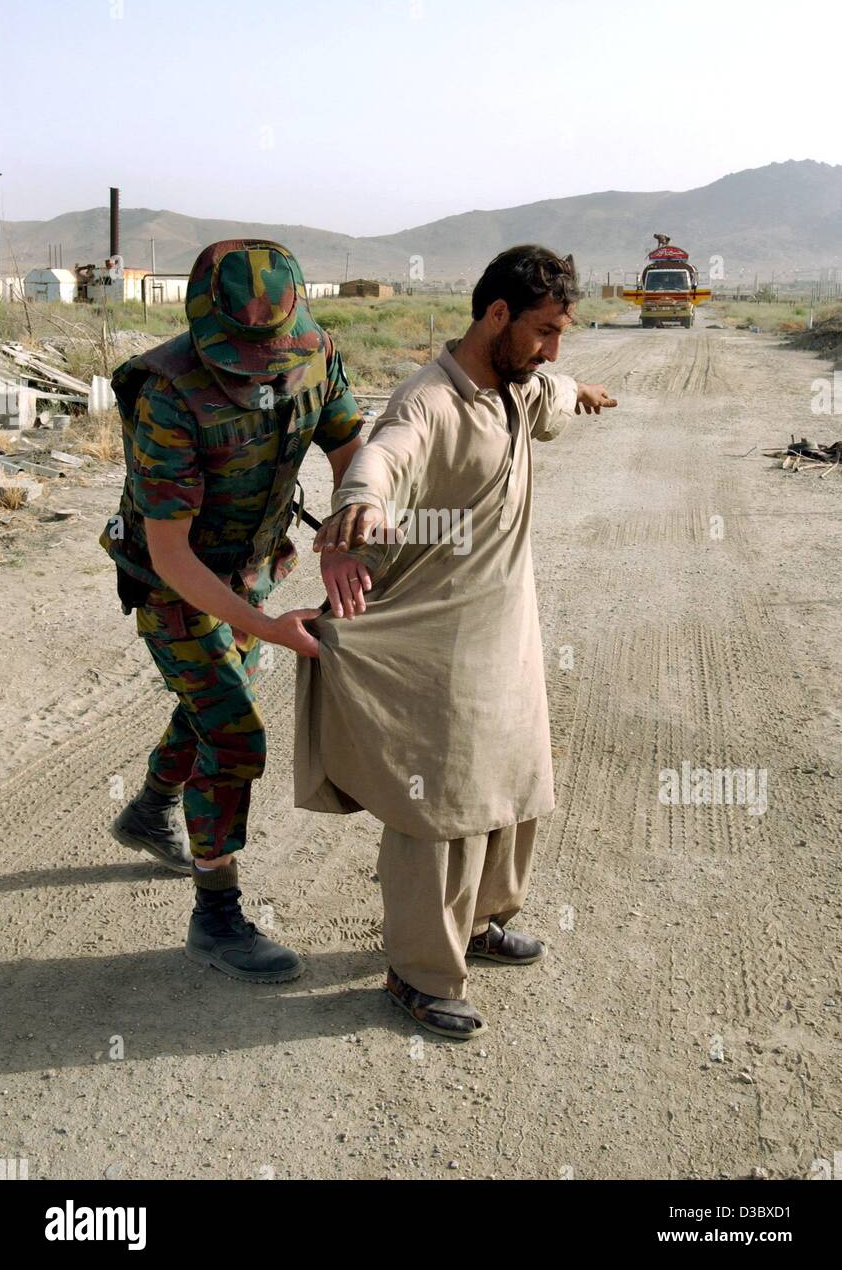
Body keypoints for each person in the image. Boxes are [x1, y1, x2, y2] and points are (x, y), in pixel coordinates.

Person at [296, 244, 617, 1038]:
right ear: (495, 315)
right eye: (543, 331)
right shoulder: (427, 402)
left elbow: (553, 392)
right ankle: (417, 972)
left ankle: (481, 920)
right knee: (437, 808)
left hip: (505, 635)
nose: (551, 349)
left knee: (517, 780)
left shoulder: (516, 387)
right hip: (437, 647)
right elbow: (382, 455)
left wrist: (582, 392)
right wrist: (361, 504)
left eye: (560, 336)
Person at [100, 239, 363, 982]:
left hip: (251, 571)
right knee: (234, 727)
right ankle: (215, 914)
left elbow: (348, 449)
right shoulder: (169, 393)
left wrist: (346, 531)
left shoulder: (316, 354)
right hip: (171, 586)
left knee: (210, 701)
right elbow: (172, 554)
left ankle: (149, 810)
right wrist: (269, 631)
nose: (264, 370)